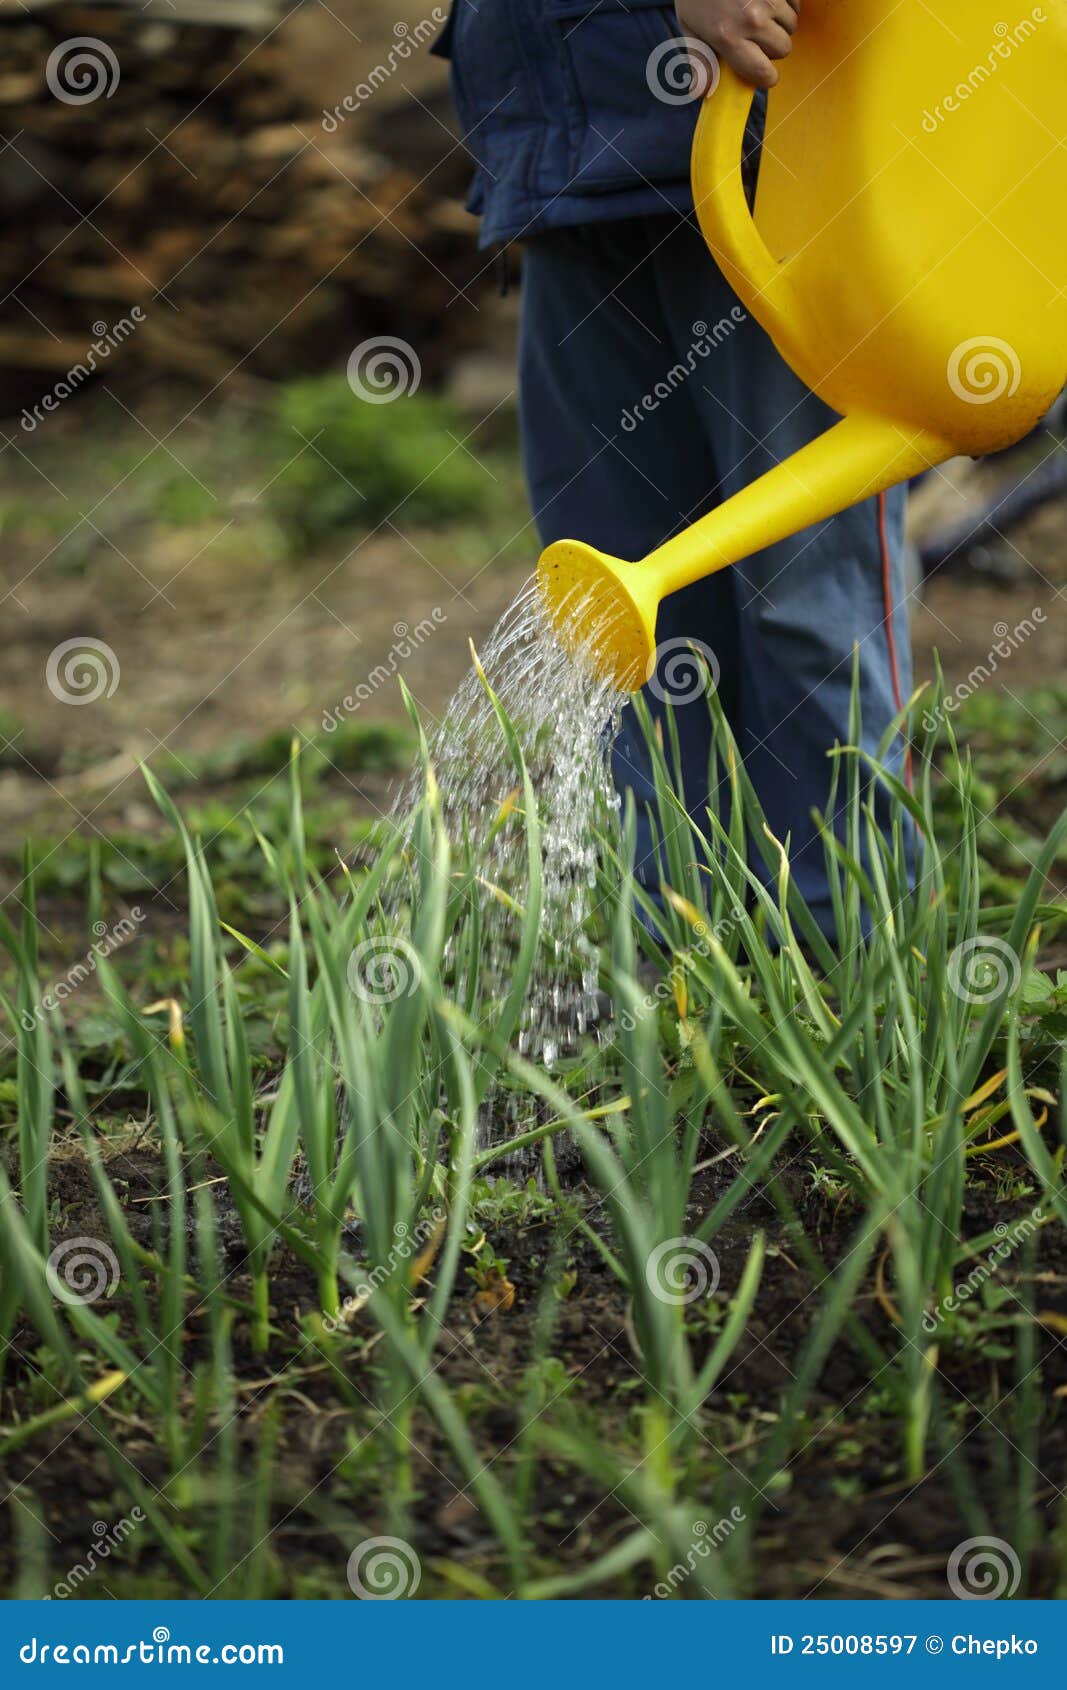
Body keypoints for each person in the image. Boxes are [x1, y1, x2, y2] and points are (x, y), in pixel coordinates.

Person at [433, 0, 911, 939]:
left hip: (763, 168)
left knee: (800, 598)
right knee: (618, 604)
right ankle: (677, 955)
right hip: (568, 173)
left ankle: (848, 961)